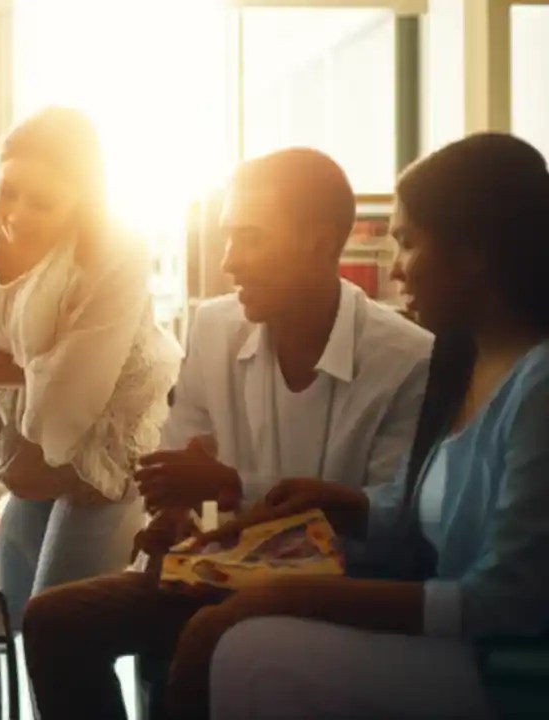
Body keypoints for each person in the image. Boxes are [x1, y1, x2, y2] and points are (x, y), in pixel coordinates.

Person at [20, 148, 434, 719]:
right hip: (223, 571)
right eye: (227, 237)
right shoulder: (216, 325)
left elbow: (392, 526)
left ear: (319, 244)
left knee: (208, 637)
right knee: (51, 619)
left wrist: (232, 485)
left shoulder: (407, 360)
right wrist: (173, 515)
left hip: (337, 592)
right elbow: (181, 458)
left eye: (250, 238)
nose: (229, 262)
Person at [188, 133, 549, 720]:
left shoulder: (537, 390)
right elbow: (413, 513)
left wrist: (301, 594)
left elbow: (510, 601)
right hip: (459, 642)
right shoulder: (460, 362)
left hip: (507, 668)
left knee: (246, 653)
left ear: (475, 251)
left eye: (407, 243)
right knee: (225, 634)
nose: (395, 270)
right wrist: (343, 503)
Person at [0, 107, 182, 630]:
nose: (17, 214)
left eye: (43, 202)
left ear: (82, 201)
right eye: (8, 190)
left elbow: (69, 389)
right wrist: (14, 361)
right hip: (25, 438)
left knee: (58, 624)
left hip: (102, 441)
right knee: (21, 618)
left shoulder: (114, 249)